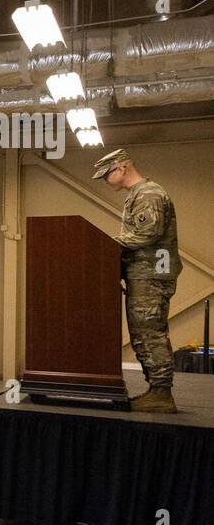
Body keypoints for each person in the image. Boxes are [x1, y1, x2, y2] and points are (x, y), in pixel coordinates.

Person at [95, 148, 183, 413]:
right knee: (143, 334)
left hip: (150, 274)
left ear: (121, 167)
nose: (104, 180)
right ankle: (156, 389)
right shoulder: (138, 194)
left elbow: (148, 234)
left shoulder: (149, 193)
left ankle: (162, 393)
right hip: (144, 273)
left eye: (106, 174)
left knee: (150, 333)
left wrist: (105, 243)